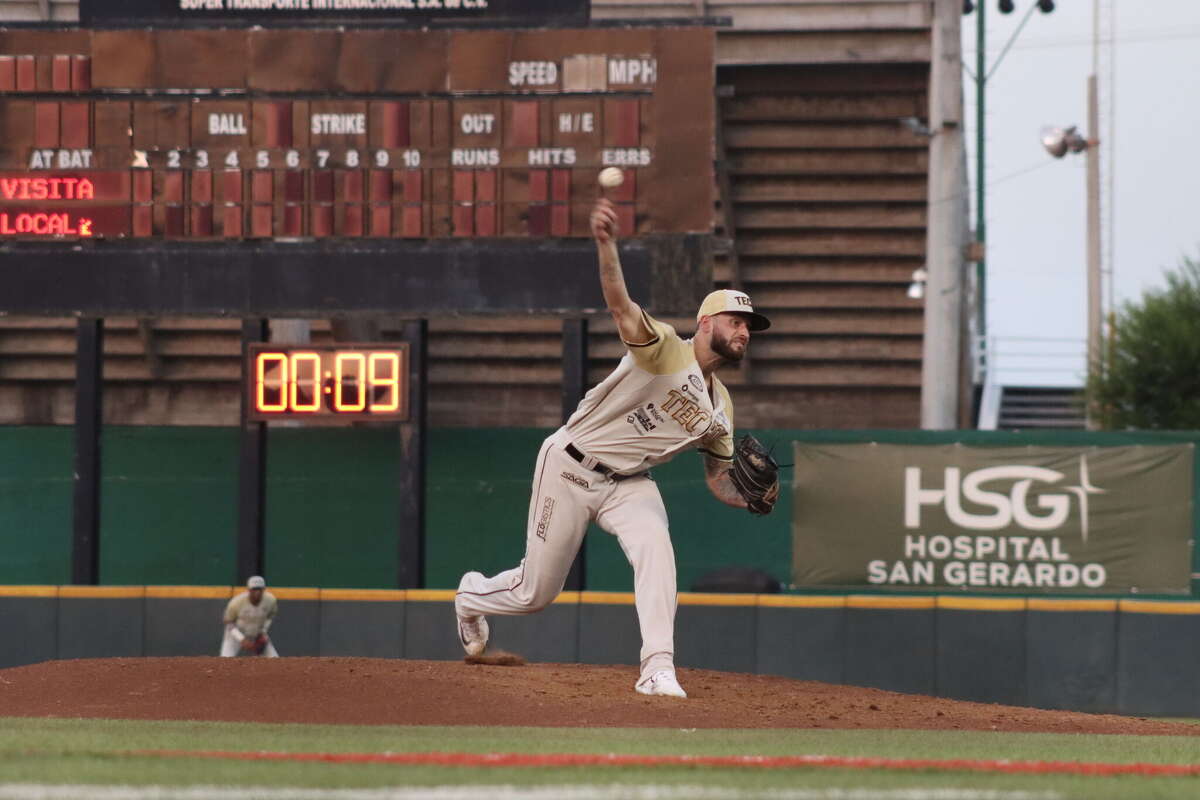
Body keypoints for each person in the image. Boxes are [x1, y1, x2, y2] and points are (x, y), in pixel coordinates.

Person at [454, 196, 774, 698]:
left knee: (657, 551)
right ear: (707, 323)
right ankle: (471, 597)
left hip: (629, 484)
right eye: (737, 321)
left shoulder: (722, 410)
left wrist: (749, 497)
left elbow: (719, 478)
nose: (745, 332)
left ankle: (657, 668)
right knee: (535, 594)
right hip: (571, 465)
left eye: (749, 327)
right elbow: (619, 304)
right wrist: (607, 245)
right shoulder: (665, 348)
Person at [220, 575, 280, 657]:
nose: (257, 592)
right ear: (249, 590)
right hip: (236, 635)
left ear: (264, 590)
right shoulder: (237, 602)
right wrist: (241, 638)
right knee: (225, 661)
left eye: (260, 589)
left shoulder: (270, 600)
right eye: (254, 589)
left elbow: (271, 616)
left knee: (275, 660)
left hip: (257, 634)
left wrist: (263, 632)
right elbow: (228, 621)